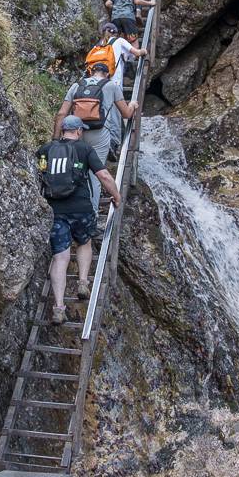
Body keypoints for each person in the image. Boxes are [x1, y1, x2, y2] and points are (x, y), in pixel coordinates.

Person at [37, 115, 121, 323]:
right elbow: (104, 176)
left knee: (60, 257)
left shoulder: (45, 150)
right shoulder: (84, 149)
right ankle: (83, 282)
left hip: (55, 210)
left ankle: (58, 308)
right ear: (78, 131)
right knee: (84, 242)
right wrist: (116, 197)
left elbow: (40, 174)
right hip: (81, 208)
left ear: (63, 130)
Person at [55, 58, 138, 180]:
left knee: (75, 166)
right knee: (96, 173)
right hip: (100, 132)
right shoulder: (111, 86)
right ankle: (93, 197)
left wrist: (56, 140)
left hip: (76, 132)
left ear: (91, 72)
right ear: (107, 75)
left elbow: (61, 113)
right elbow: (126, 114)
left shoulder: (76, 85)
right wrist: (132, 105)